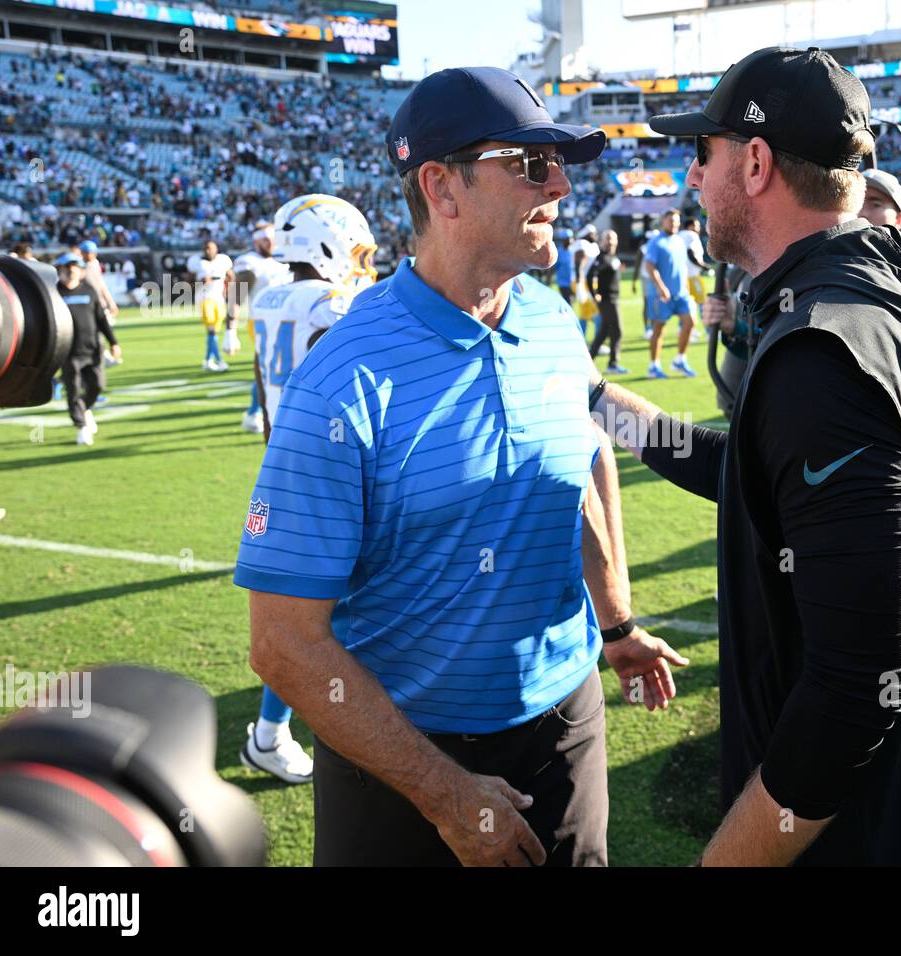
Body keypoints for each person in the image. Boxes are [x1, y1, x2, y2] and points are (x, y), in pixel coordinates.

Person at [235, 66, 686, 866]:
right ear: (440, 187)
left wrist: (614, 623)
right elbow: (283, 646)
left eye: (560, 165)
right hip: (396, 759)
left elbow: (578, 466)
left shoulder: (550, 317)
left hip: (563, 722)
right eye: (529, 165)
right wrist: (445, 795)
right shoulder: (342, 377)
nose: (559, 188)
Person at [593, 46, 901, 865]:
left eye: (704, 152)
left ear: (754, 163)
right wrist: (609, 410)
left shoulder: (824, 353)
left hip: (878, 829)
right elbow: (771, 481)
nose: (692, 177)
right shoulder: (867, 296)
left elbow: (858, 689)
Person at [237, 195, 378, 785]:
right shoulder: (331, 302)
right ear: (327, 243)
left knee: (305, 612)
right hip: (326, 473)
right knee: (326, 618)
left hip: (284, 463)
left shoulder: (268, 297)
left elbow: (266, 387)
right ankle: (271, 734)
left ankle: (272, 731)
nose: (360, 261)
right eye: (353, 248)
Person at [55, 252, 121, 446]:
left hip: (92, 350)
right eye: (67, 267)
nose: (71, 270)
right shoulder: (54, 293)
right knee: (73, 390)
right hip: (67, 352)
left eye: (75, 266)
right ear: (59, 269)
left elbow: (101, 319)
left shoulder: (89, 290)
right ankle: (82, 426)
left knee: (97, 385)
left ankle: (85, 409)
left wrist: (113, 342)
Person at [232, 222, 292, 433]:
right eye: (266, 239)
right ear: (256, 240)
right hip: (260, 322)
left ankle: (264, 412)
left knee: (281, 370)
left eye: (272, 238)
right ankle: (254, 413)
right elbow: (235, 296)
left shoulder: (282, 261)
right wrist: (230, 331)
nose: (271, 242)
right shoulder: (249, 262)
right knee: (269, 369)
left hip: (285, 321)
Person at [643, 208, 697, 378]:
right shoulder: (656, 242)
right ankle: (654, 366)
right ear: (663, 221)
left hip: (681, 294)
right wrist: (660, 286)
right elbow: (649, 265)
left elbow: (682, 267)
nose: (674, 223)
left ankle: (680, 360)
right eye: (671, 220)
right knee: (659, 330)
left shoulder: (680, 241)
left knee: (690, 323)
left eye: (676, 221)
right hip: (662, 296)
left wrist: (687, 288)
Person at [186, 239, 234, 372]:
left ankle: (208, 360)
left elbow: (231, 276)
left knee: (214, 333)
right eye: (206, 248)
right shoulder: (197, 263)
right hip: (204, 299)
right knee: (212, 330)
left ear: (216, 249)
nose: (208, 251)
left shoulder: (223, 261)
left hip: (218, 299)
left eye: (211, 248)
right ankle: (219, 360)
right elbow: (188, 284)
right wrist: (200, 282)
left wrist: (228, 289)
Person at [587, 228, 627, 373]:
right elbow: (590, 276)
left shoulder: (613, 257)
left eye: (612, 238)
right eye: (607, 238)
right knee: (617, 331)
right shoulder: (601, 258)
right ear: (602, 241)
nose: (610, 241)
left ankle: (587, 363)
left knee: (603, 332)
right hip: (608, 300)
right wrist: (595, 294)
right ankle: (613, 364)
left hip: (614, 298)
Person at [571, 223, 601, 342]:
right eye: (593, 233)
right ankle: (597, 342)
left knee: (585, 313)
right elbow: (579, 264)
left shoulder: (590, 245)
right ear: (587, 235)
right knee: (598, 312)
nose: (595, 235)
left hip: (584, 281)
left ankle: (581, 341)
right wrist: (579, 285)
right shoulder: (582, 244)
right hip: (582, 282)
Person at [78, 240, 118, 326]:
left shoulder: (94, 264)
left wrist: (111, 302)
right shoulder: (79, 267)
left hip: (98, 302)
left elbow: (101, 285)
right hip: (86, 302)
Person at [554, 227, 574, 301]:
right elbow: (553, 268)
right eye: (567, 238)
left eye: (571, 238)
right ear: (563, 240)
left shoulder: (574, 251)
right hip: (563, 284)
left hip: (574, 283)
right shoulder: (558, 252)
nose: (570, 240)